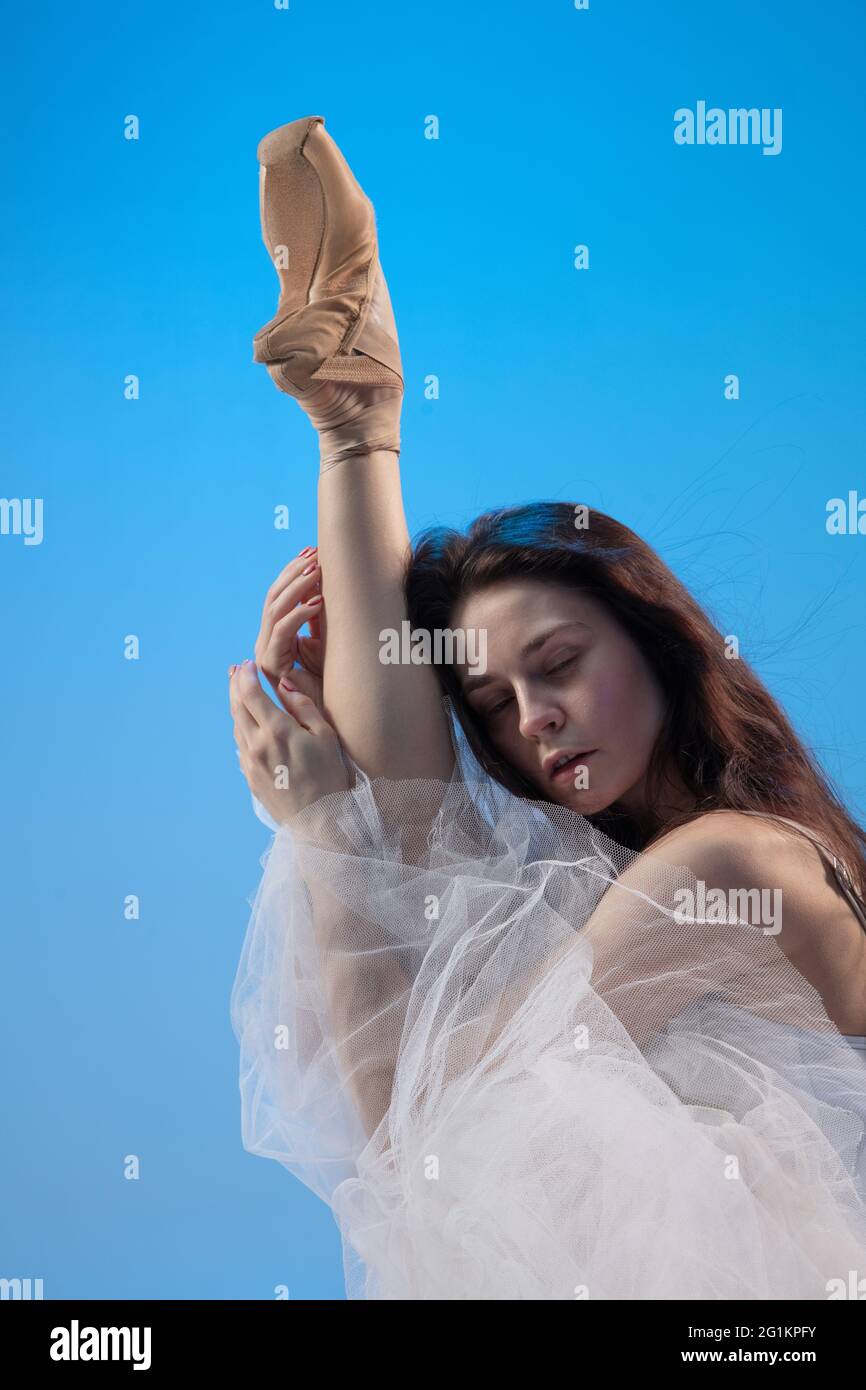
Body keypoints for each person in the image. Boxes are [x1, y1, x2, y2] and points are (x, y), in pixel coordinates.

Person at [229, 116, 866, 1300]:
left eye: (558, 661)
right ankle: (355, 417)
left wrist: (324, 836)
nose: (534, 719)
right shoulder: (609, 876)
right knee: (418, 868)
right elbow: (414, 845)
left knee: (396, 878)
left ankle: (364, 416)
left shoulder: (737, 861)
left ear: (662, 644)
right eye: (491, 700)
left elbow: (418, 1141)